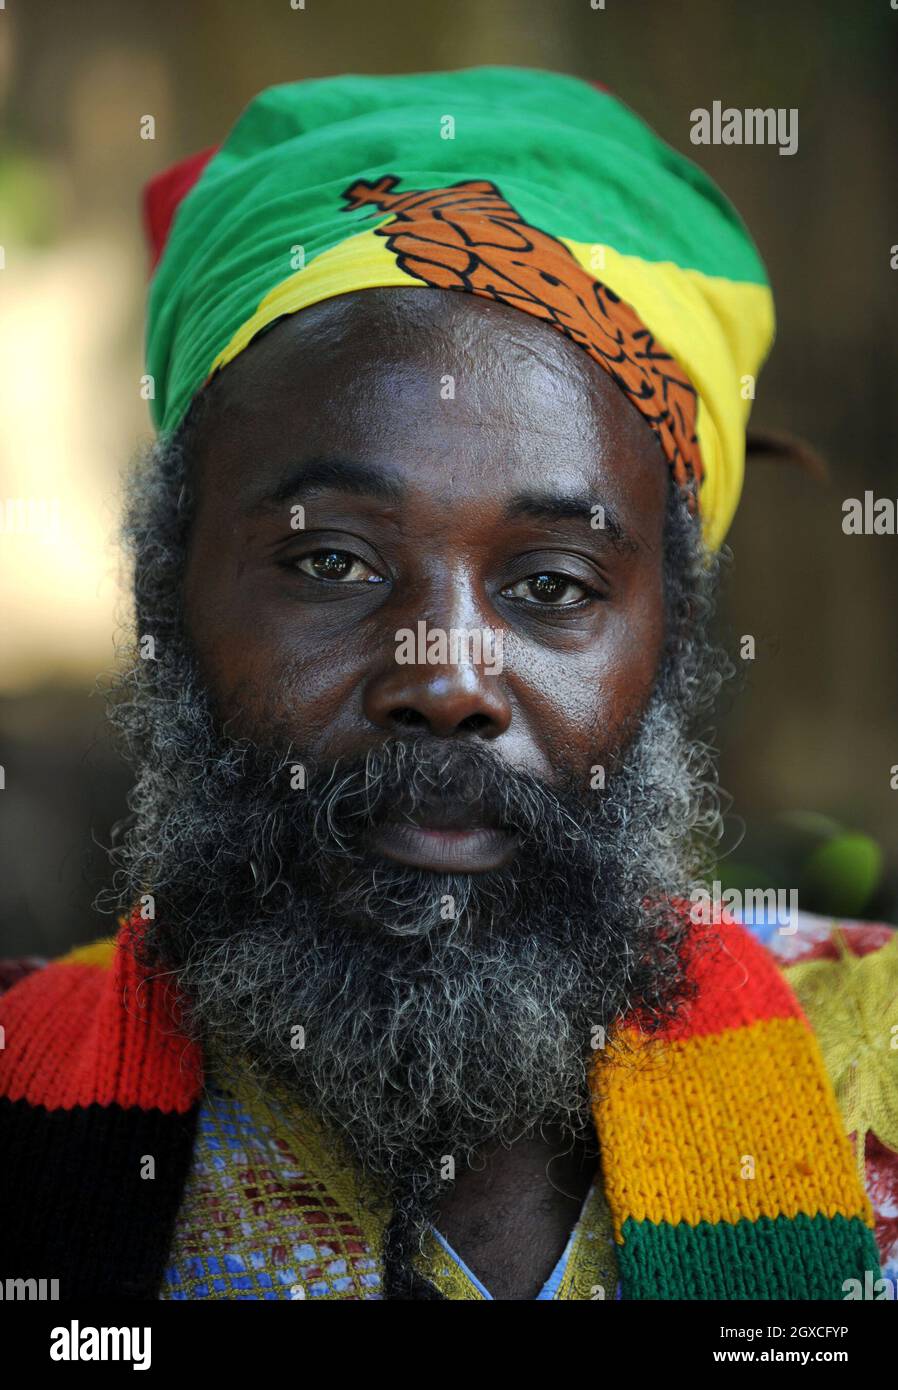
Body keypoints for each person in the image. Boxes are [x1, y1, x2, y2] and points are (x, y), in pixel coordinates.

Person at [1, 66, 895, 1301]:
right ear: (164, 593)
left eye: (552, 585)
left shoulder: (879, 1064)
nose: (445, 677)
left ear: (671, 636)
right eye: (330, 560)